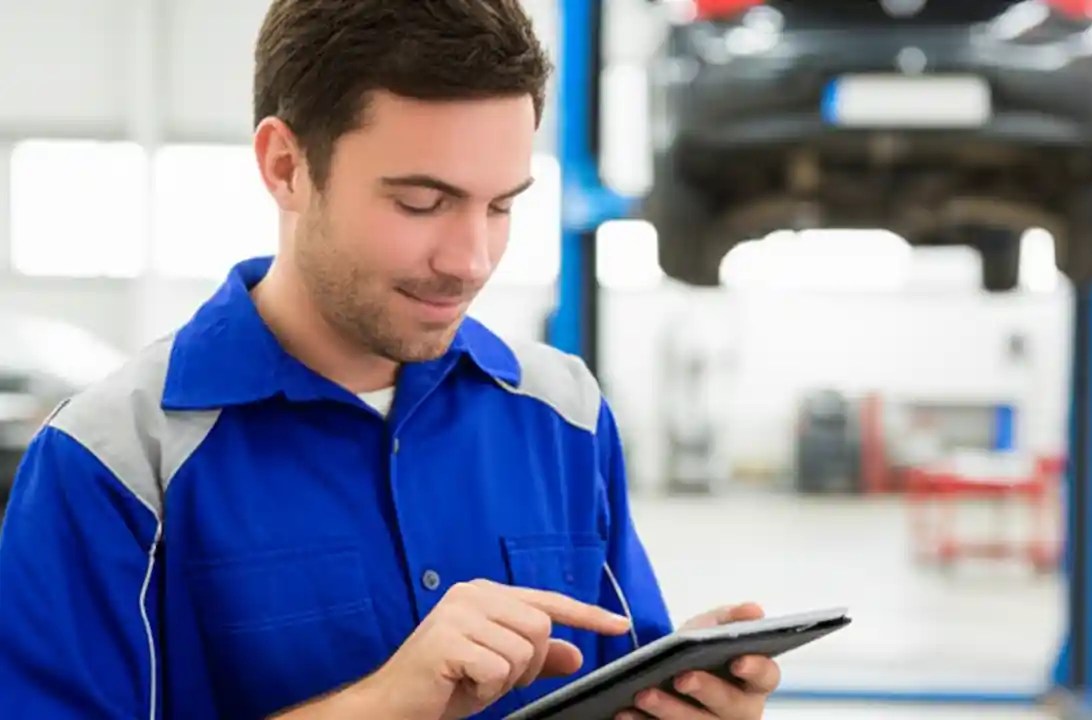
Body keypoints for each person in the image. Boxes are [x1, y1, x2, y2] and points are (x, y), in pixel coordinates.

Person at [0, 1, 782, 718]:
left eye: (502, 205)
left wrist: (678, 700)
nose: (471, 259)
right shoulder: (114, 461)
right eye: (421, 203)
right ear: (285, 166)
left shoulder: (562, 414)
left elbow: (612, 680)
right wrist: (385, 702)